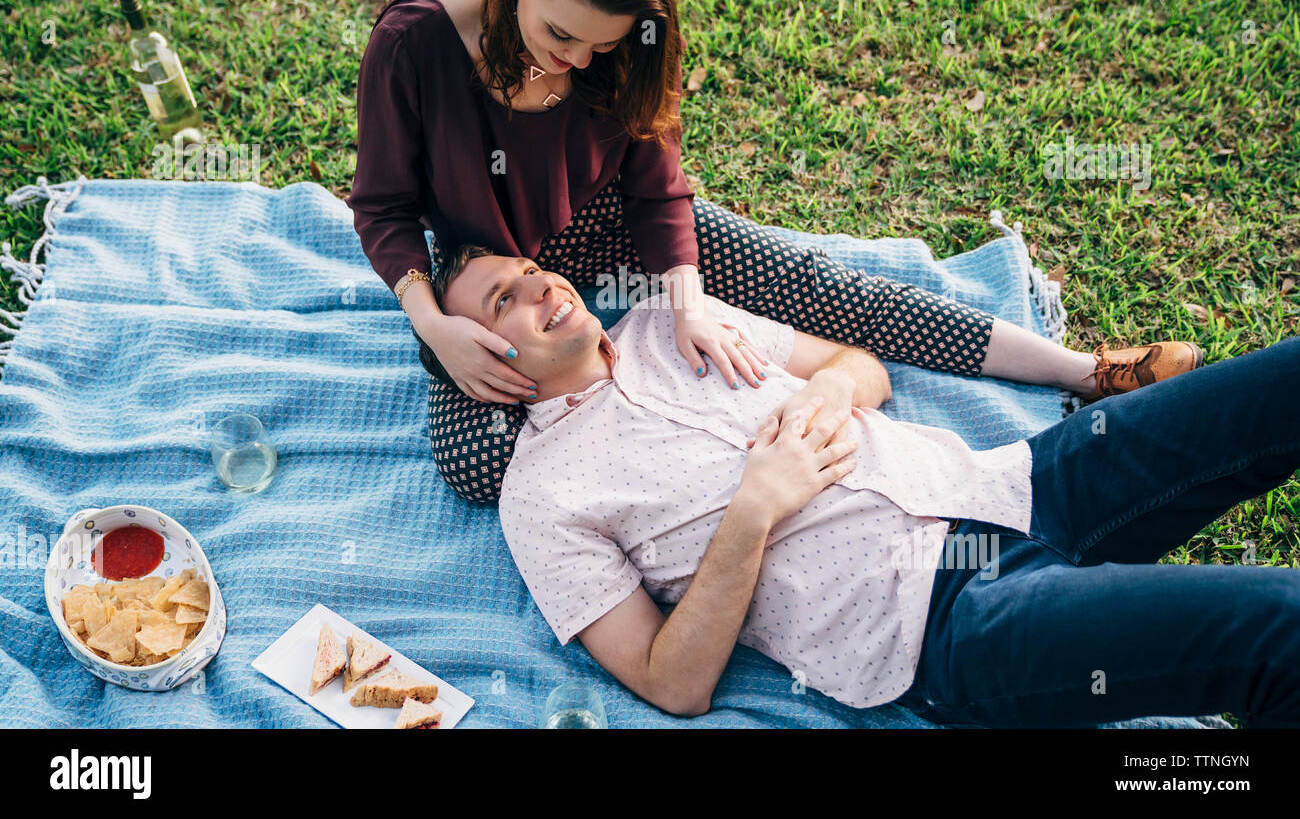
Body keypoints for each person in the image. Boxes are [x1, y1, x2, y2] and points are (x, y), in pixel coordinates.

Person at [346, 0, 1201, 506]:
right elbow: (383, 209)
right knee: (475, 466)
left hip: (611, 225)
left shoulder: (630, 43)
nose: (575, 62)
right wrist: (438, 325)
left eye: (598, 47)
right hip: (484, 271)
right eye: (560, 34)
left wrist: (684, 298)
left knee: (817, 286)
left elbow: (657, 185)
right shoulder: (417, 43)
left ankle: (1088, 370)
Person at [431, 244, 1300, 727]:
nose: (538, 284)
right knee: (1275, 626)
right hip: (950, 624)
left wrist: (828, 389)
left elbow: (858, 365)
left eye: (526, 267)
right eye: (503, 299)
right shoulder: (540, 498)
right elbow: (671, 682)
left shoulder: (668, 318)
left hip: (1020, 480)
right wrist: (754, 507)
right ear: (479, 359)